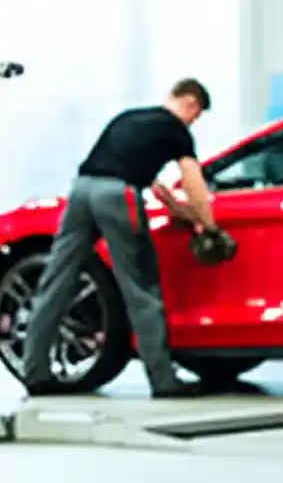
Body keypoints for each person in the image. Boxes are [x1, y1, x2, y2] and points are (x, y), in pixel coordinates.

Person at [21, 78, 219, 399]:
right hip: (117, 196)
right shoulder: (175, 130)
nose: (193, 122)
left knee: (57, 280)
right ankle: (164, 380)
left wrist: (184, 214)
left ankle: (35, 373)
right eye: (196, 116)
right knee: (140, 288)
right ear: (191, 104)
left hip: (80, 192)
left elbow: (157, 187)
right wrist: (209, 225)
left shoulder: (129, 119)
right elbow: (193, 182)